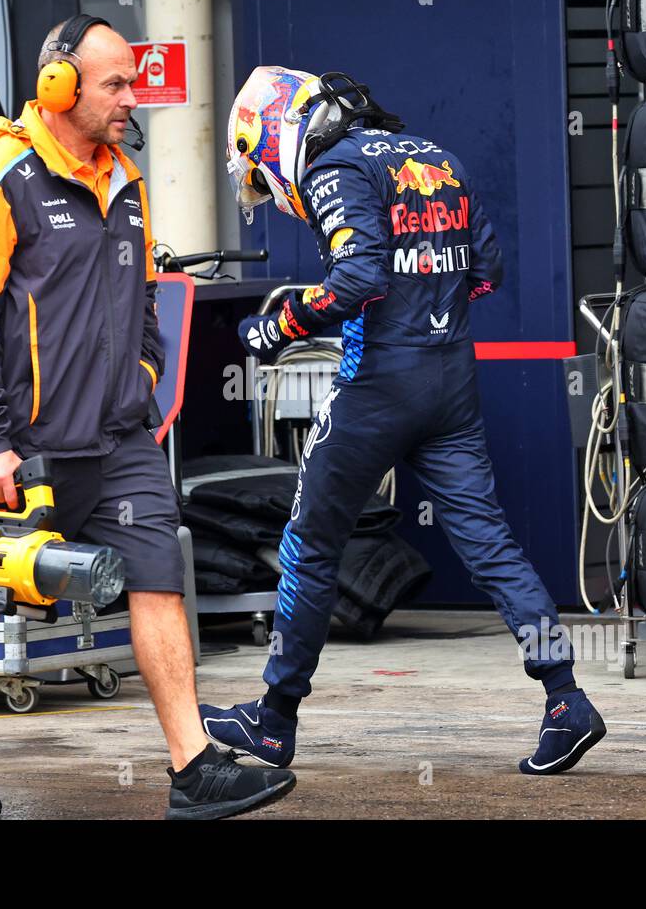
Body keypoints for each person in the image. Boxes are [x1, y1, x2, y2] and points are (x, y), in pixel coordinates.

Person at [0, 18, 294, 820]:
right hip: (28, 447)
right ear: (59, 86)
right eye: (116, 84)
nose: (131, 100)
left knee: (157, 578)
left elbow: (143, 306)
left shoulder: (126, 181)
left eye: (134, 83)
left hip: (121, 442)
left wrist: (141, 381)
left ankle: (193, 764)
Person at [200, 66, 607, 776]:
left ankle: (274, 720)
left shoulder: (332, 170)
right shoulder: (433, 155)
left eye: (263, 172)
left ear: (281, 134)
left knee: (309, 544)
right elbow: (489, 270)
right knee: (491, 544)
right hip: (452, 379)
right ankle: (566, 697)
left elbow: (359, 279)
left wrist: (277, 331)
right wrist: (429, 300)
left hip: (379, 385)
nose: (269, 186)